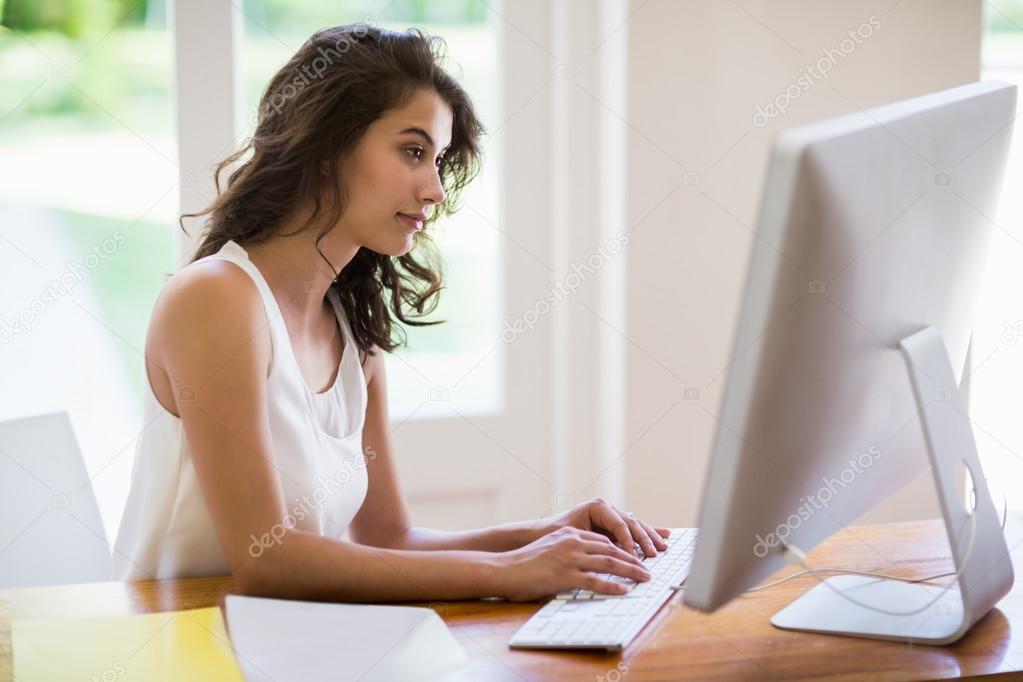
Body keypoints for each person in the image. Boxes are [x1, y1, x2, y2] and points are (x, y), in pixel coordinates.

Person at [114, 24, 668, 602]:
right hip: (176, 648)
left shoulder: (354, 329)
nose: (434, 189)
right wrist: (507, 574)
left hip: (284, 645)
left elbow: (390, 538)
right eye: (412, 151)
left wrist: (545, 536)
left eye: (439, 160)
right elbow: (267, 560)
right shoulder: (215, 299)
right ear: (328, 148)